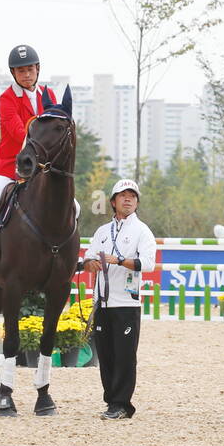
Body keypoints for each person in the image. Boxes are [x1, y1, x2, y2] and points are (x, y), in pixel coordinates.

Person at [0, 45, 58, 267]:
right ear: (13, 73)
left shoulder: (49, 95)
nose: (26, 75)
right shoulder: (6, 98)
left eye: (30, 69)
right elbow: (17, 130)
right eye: (21, 71)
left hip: (42, 164)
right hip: (11, 162)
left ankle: (63, 248)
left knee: (70, 203)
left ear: (37, 69)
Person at [82, 179, 157, 420]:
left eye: (132, 196)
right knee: (106, 355)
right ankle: (111, 401)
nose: (128, 199)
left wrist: (120, 260)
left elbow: (147, 263)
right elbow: (88, 258)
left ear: (137, 202)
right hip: (103, 301)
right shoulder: (103, 232)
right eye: (123, 195)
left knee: (125, 355)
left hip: (127, 302)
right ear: (113, 202)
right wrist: (90, 264)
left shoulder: (142, 231)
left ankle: (123, 404)